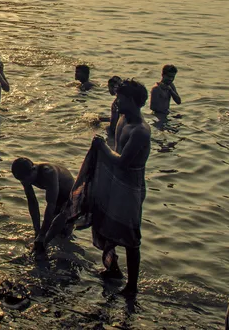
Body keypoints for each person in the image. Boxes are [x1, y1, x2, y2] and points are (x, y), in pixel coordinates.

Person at [47, 79, 152, 296]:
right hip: (115, 182)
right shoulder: (123, 118)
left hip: (130, 188)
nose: (116, 102)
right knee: (106, 224)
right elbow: (115, 144)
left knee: (131, 239)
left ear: (132, 101)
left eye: (120, 99)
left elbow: (123, 160)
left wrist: (102, 147)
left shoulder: (140, 131)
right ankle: (112, 268)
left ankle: (132, 286)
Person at [11, 157, 75, 251]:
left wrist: (42, 235)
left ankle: (65, 252)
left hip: (70, 195)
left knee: (61, 227)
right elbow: (32, 202)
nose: (25, 183)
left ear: (33, 170)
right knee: (47, 234)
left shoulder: (48, 173)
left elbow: (51, 204)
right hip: (56, 195)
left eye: (27, 180)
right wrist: (37, 230)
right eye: (21, 180)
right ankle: (45, 247)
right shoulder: (24, 175)